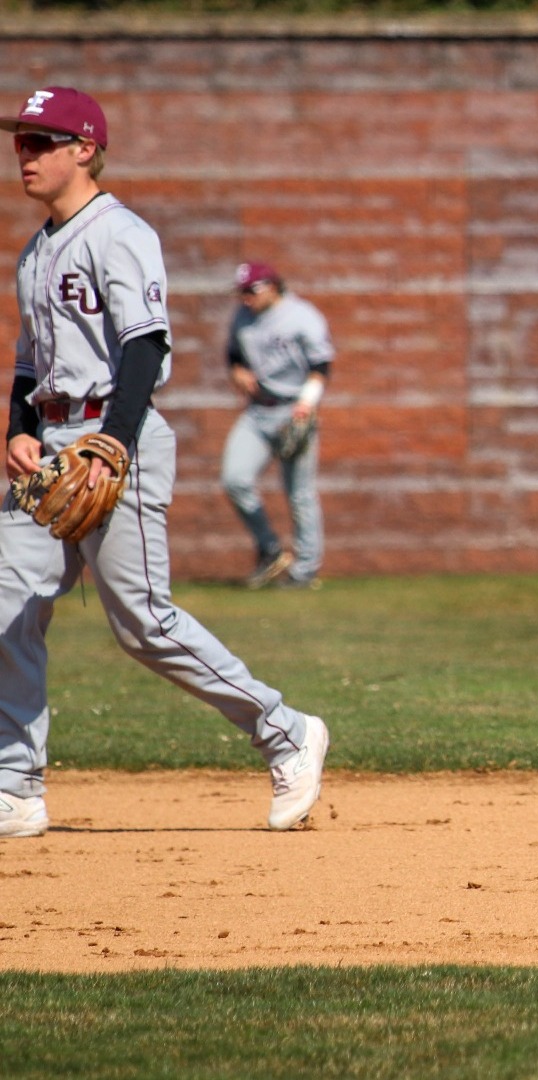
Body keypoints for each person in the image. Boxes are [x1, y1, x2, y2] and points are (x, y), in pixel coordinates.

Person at [0, 87, 329, 839]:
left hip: (115, 440)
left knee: (142, 622)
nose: (25, 153)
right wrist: (18, 428)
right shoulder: (36, 250)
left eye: (42, 140)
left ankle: (285, 731)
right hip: (48, 451)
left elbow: (144, 344)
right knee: (5, 609)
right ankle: (14, 786)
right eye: (21, 140)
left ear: (85, 148)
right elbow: (29, 363)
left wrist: (113, 438)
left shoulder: (120, 234)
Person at [221, 260, 332, 589]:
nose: (246, 298)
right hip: (257, 412)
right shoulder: (243, 316)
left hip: (292, 410)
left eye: (251, 290)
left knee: (299, 494)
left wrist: (307, 404)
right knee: (235, 478)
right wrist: (237, 370)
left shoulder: (302, 315)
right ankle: (270, 550)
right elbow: (233, 355)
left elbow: (321, 364)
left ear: (271, 286)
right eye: (241, 292)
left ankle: (305, 570)